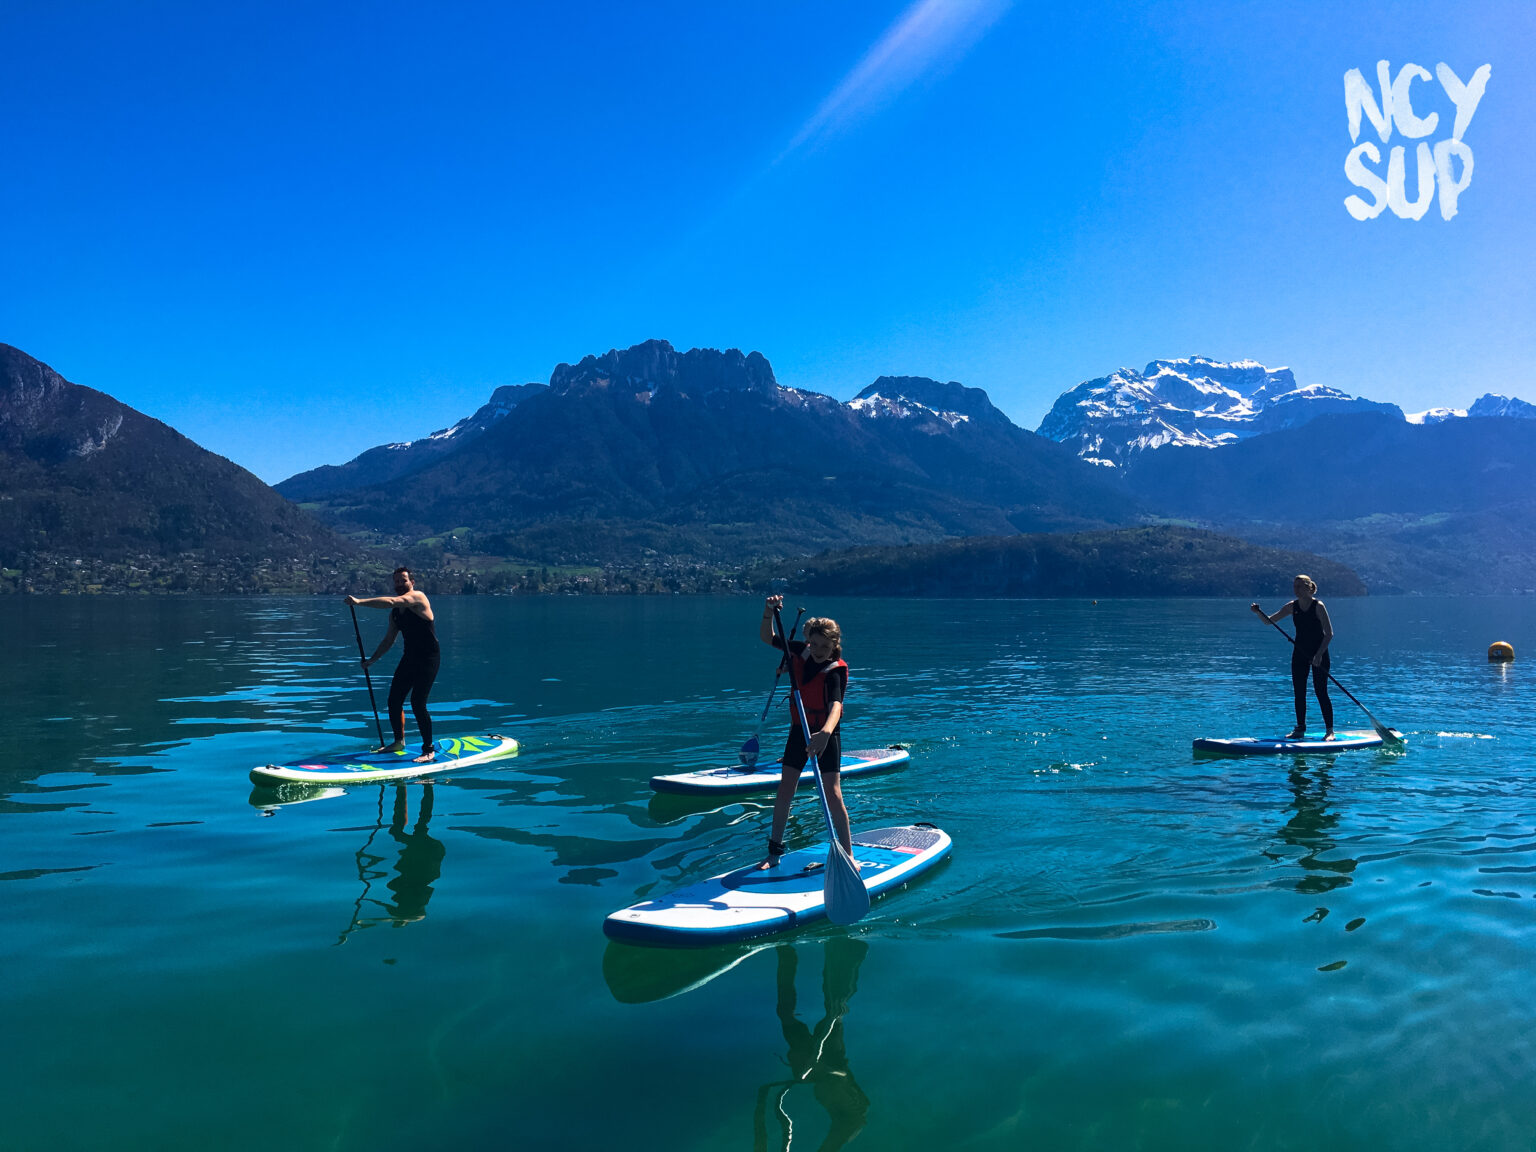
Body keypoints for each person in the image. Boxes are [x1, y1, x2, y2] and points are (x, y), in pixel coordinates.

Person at [757, 594, 851, 868]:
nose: (818, 650)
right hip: (799, 731)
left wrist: (824, 733)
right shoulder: (800, 651)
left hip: (825, 734)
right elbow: (767, 637)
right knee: (786, 788)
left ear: (834, 644)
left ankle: (848, 855)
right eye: (814, 644)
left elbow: (836, 705)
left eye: (825, 645)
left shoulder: (835, 670)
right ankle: (774, 853)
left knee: (833, 795)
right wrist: (767, 611)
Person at [346, 567, 440, 762]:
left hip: (428, 658)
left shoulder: (418, 598)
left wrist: (359, 602)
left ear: (412, 582)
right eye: (396, 581)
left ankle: (429, 750)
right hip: (409, 658)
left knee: (417, 703)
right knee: (394, 700)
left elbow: (391, 601)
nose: (399, 584)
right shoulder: (396, 614)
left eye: (403, 580)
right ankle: (398, 742)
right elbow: (389, 640)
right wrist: (372, 659)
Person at [1251, 574, 1334, 740]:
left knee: (1320, 691)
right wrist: (1258, 612)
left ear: (1309, 588)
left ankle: (1329, 731)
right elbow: (1269, 621)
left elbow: (1329, 634)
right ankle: (1300, 729)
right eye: (1294, 587)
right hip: (1300, 653)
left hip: (1319, 653)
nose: (1295, 590)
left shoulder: (1318, 606)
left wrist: (1318, 655)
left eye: (1299, 586)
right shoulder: (1291, 606)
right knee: (1299, 692)